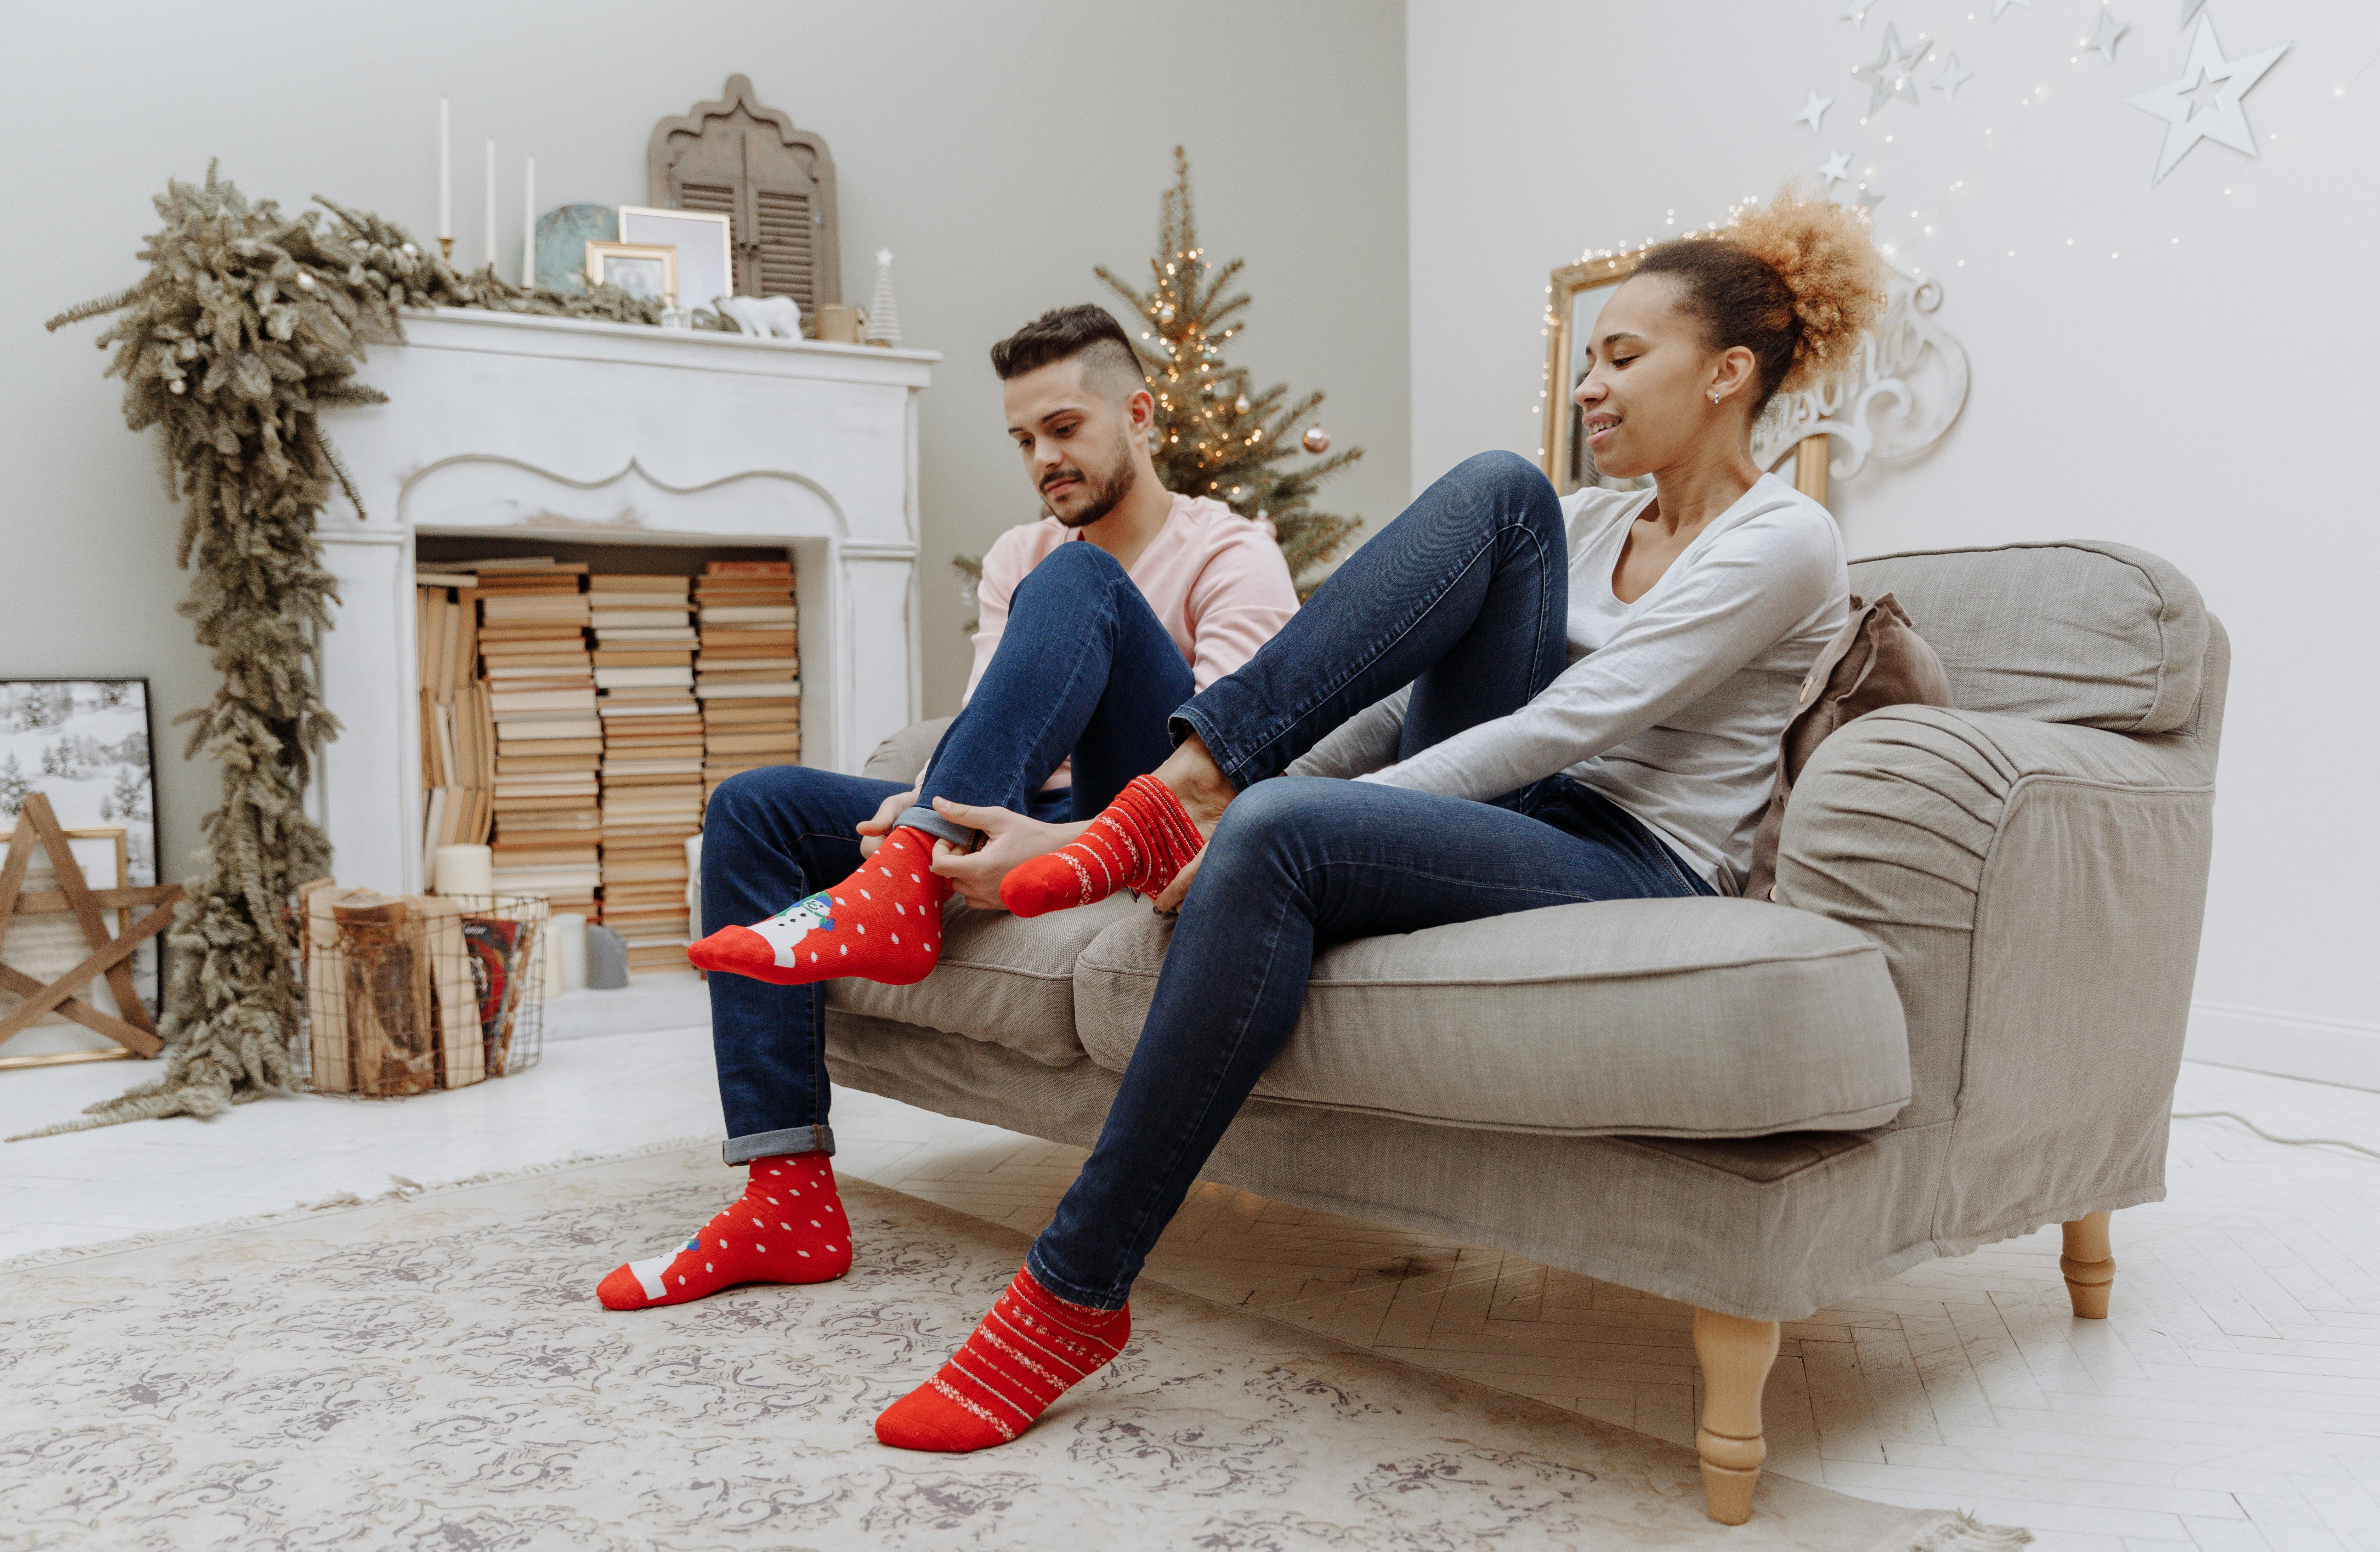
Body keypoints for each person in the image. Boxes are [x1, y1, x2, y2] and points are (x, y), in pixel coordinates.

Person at [871, 185, 1888, 1451]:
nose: (1592, 385)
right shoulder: (1588, 520)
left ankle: (1069, 1293)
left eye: (1625, 357)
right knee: (1500, 491)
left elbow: (1561, 730)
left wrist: (1278, 813)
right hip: (1519, 802)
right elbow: (1402, 702)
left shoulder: (1787, 538)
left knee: (1289, 828)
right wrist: (1232, 784)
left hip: (1634, 853)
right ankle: (1179, 794)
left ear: (1729, 373)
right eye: (1589, 360)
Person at [594, 305, 1297, 1312]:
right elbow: (999, 733)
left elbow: (1228, 776)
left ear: (1138, 414)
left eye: (1064, 429)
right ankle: (784, 1197)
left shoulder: (1231, 555)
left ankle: (904, 875)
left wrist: (1018, 832)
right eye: (1022, 440)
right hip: (1007, 809)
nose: (1043, 459)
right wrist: (924, 809)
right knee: (755, 808)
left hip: (1143, 812)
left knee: (1086, 580)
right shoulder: (1019, 555)